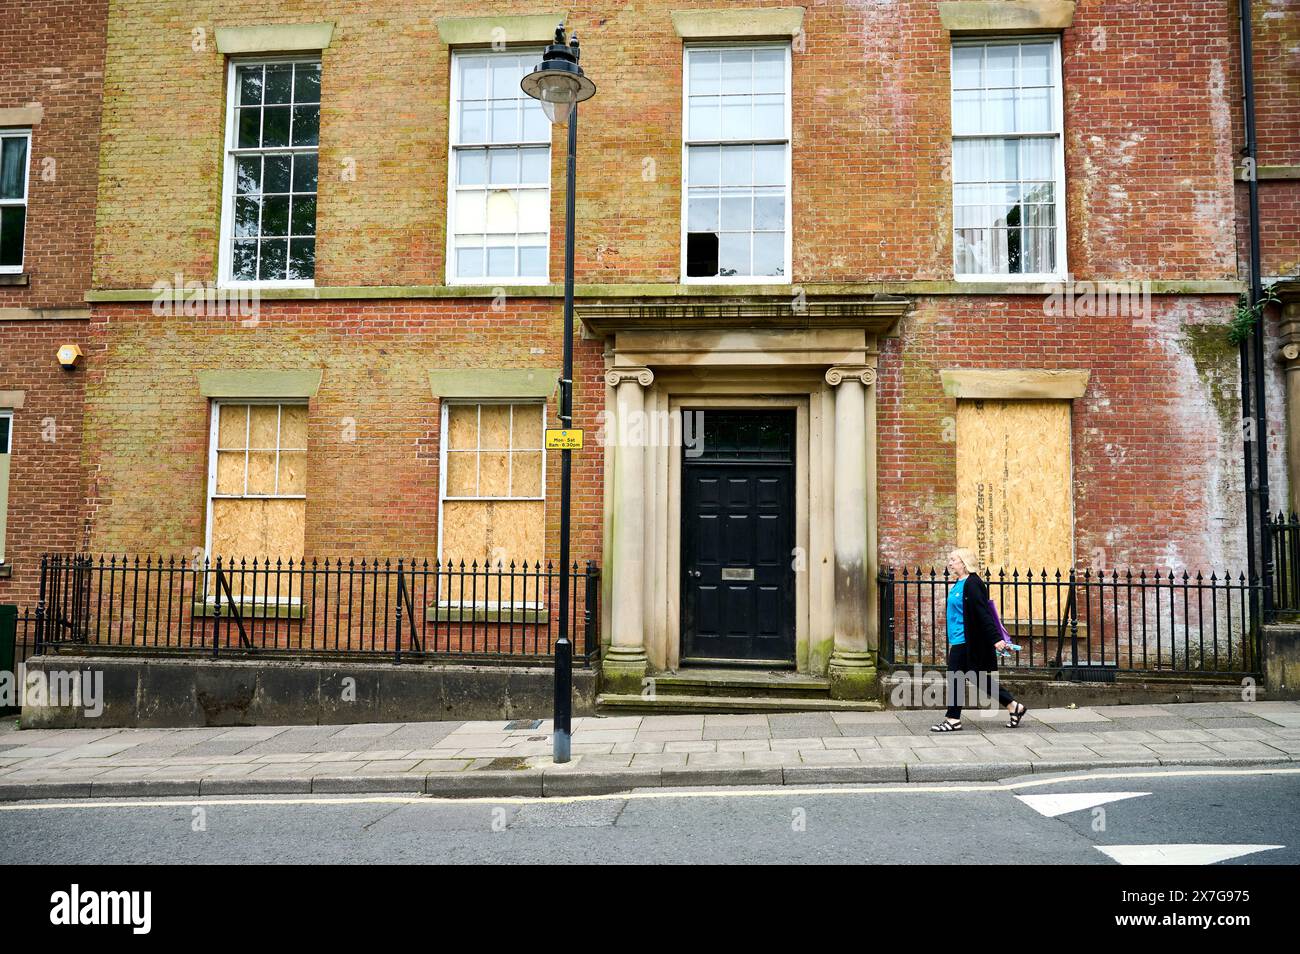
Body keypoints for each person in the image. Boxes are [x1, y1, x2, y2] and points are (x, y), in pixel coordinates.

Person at [930, 547, 1028, 732]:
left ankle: (953, 719)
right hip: (959, 638)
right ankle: (1013, 706)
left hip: (967, 640)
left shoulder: (973, 583)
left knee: (956, 677)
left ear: (964, 562)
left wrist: (996, 639)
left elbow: (983, 614)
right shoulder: (959, 583)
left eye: (953, 560)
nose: (950, 563)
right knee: (976, 677)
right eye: (950, 560)